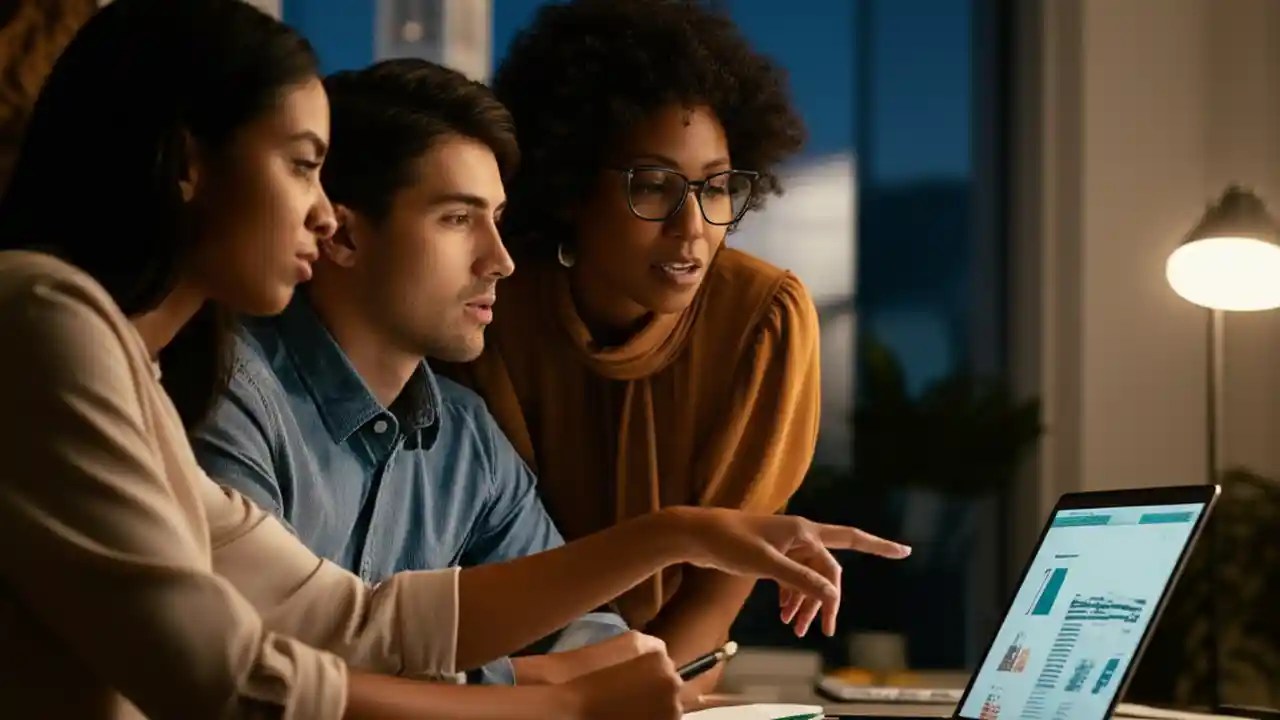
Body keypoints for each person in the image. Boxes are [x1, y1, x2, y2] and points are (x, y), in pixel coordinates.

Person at [0, 1, 910, 719]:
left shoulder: (139, 375)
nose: (321, 214)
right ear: (189, 163)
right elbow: (235, 681)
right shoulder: (45, 317)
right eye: (302, 165)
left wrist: (675, 533)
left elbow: (354, 624)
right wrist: (553, 705)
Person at [191, 58, 634, 688]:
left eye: (498, 220)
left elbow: (590, 634)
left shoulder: (466, 438)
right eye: (457, 219)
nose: (501, 260)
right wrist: (527, 680)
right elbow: (266, 671)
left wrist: (569, 665)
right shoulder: (230, 391)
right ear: (340, 235)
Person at [440, 0, 825, 693]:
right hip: (511, 674)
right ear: (570, 184)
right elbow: (479, 578)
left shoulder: (763, 320)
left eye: (716, 187)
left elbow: (713, 596)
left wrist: (635, 699)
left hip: (667, 680)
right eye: (653, 185)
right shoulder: (490, 307)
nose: (694, 229)